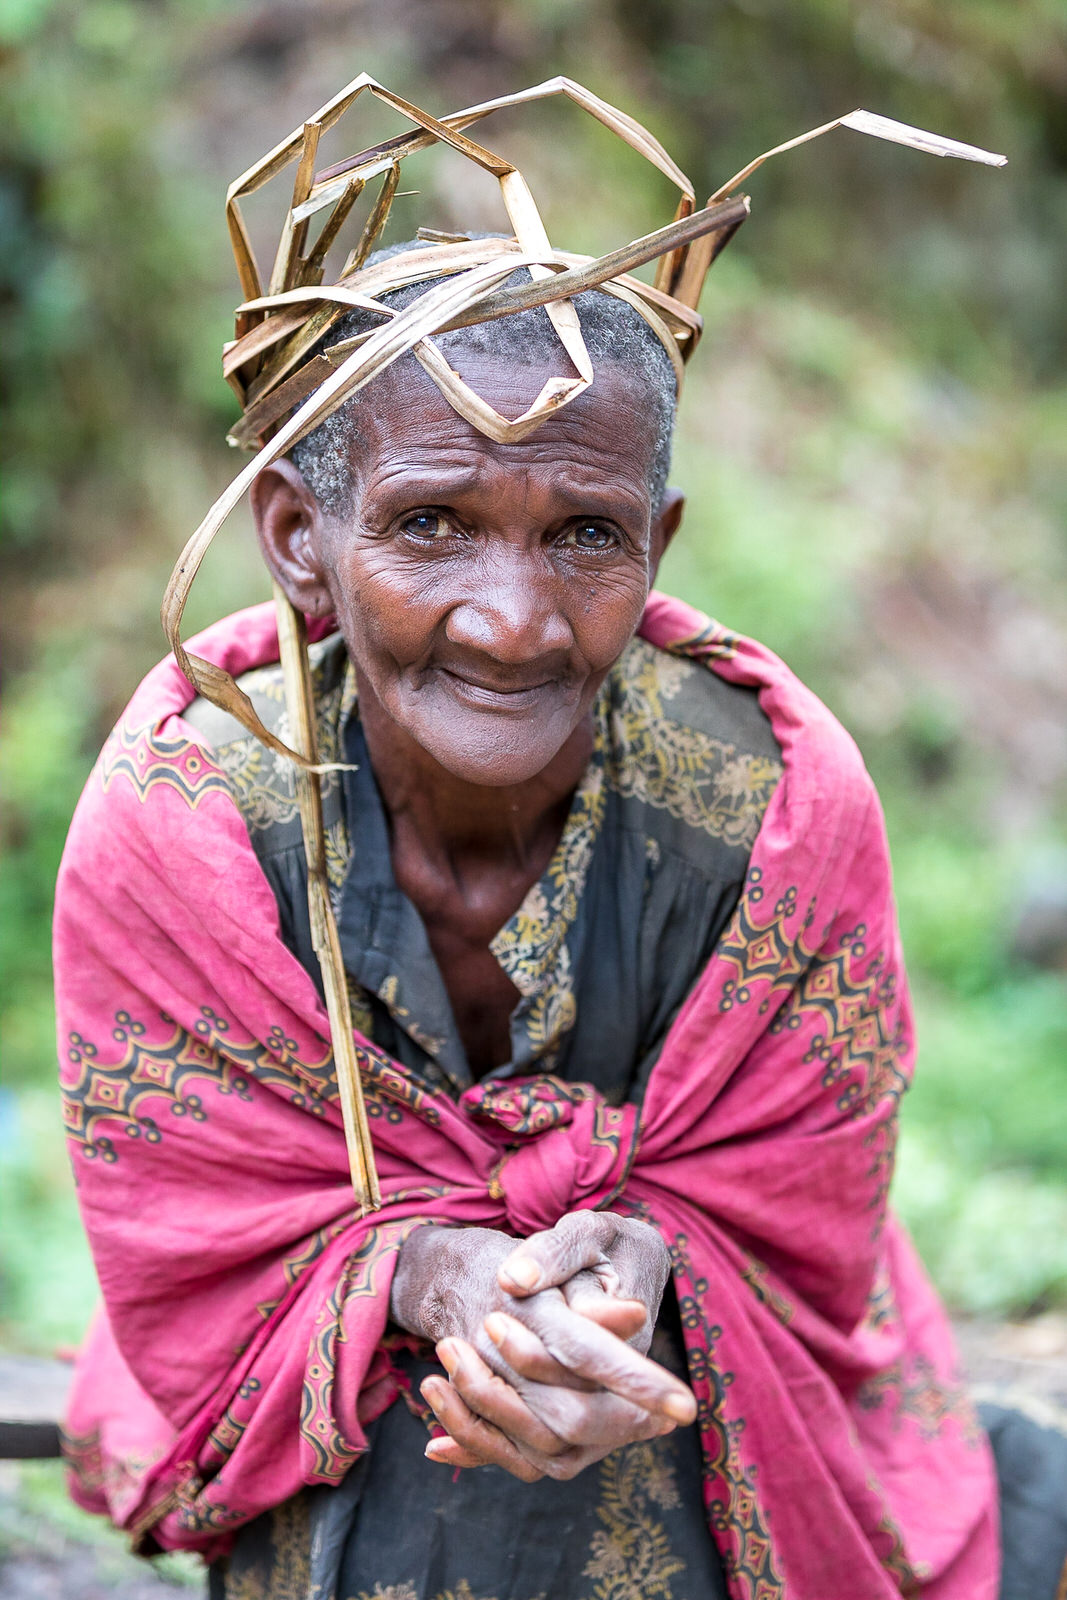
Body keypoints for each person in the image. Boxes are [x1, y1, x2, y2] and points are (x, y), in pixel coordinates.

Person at [56, 77, 1058, 1600]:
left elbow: (798, 1215)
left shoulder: (769, 808)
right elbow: (198, 1247)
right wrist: (423, 1275)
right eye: (432, 523)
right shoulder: (186, 818)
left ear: (656, 544)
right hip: (340, 1391)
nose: (514, 622)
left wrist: (651, 1265)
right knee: (441, 1493)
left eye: (582, 533)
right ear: (298, 541)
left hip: (692, 1364)